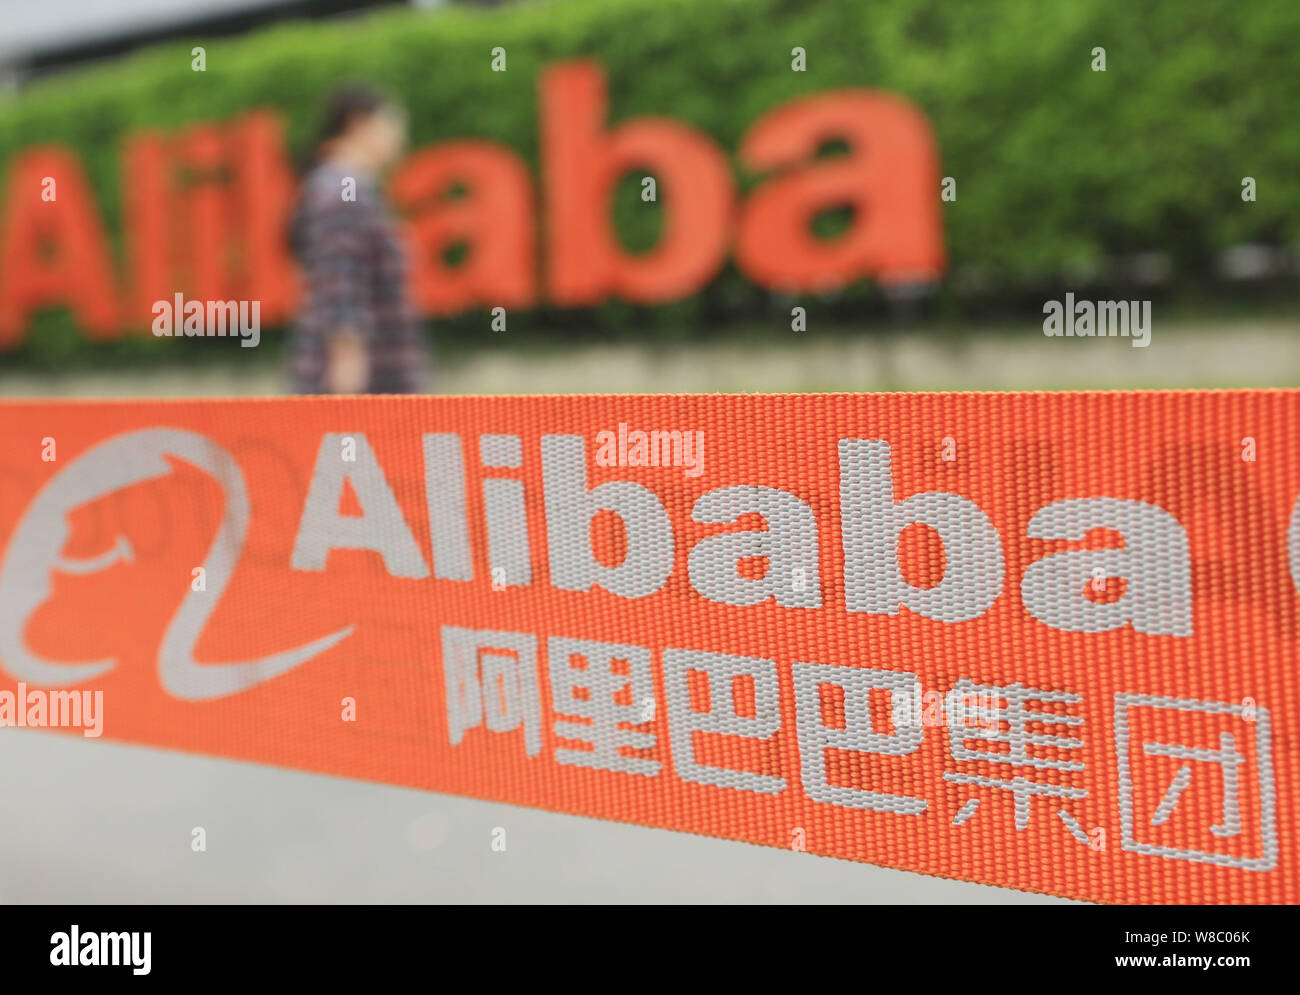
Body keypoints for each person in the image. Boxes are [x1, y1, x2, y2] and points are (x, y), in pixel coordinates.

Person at [287, 85, 430, 394]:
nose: (399, 139)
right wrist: (347, 383)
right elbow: (340, 285)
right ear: (358, 125)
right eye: (391, 125)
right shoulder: (343, 189)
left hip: (373, 385)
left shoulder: (339, 186)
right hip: (365, 388)